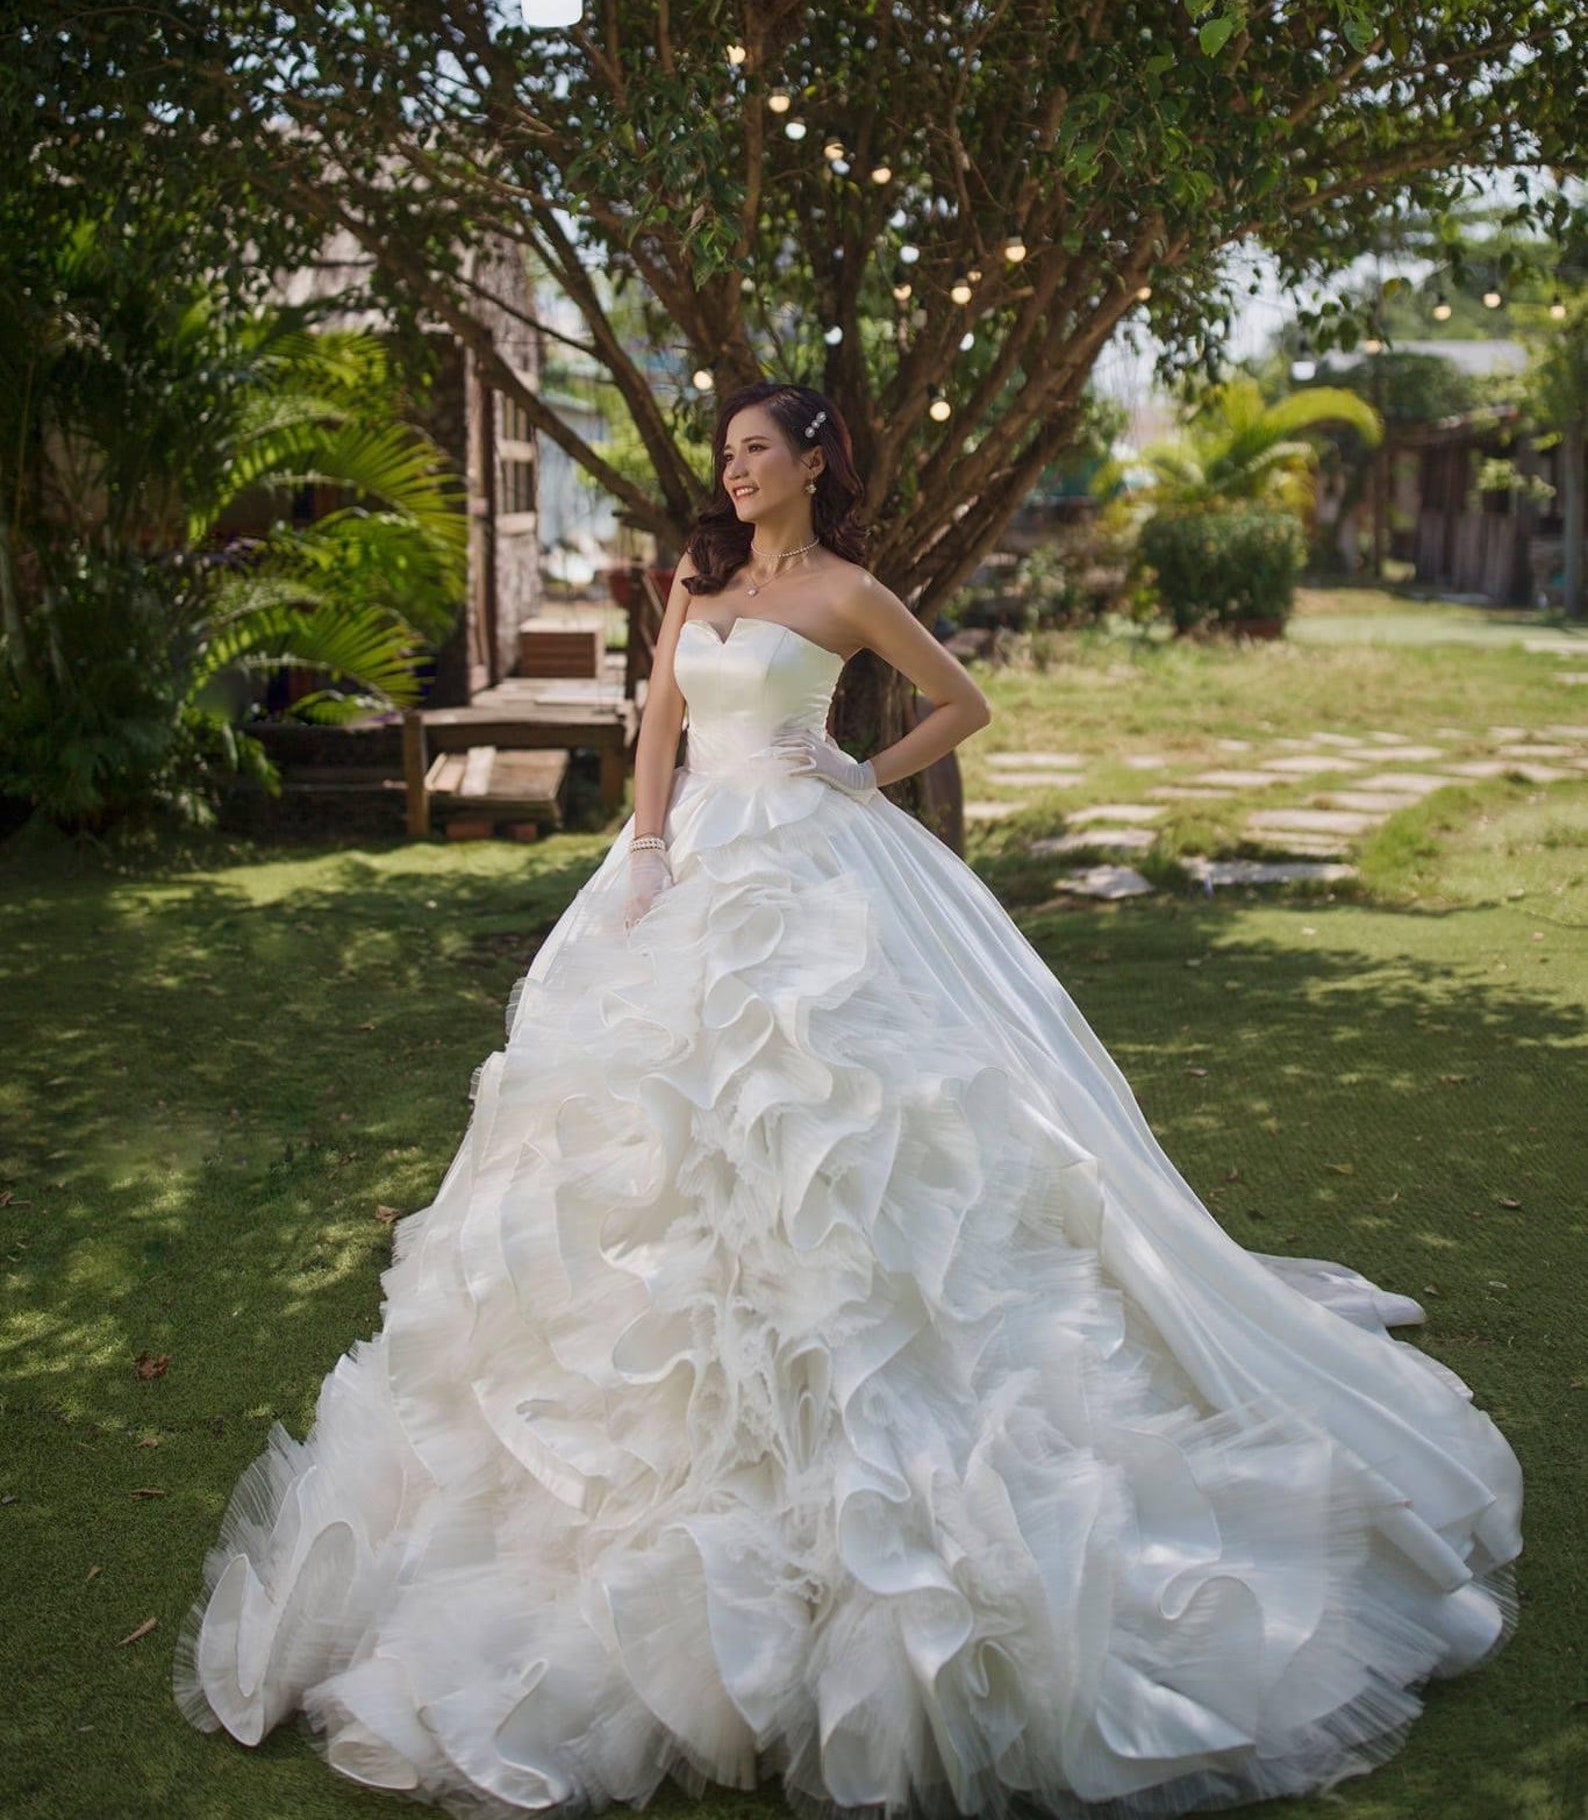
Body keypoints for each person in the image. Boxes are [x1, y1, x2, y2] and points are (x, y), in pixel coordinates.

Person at [175, 379, 1522, 1820]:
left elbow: (966, 701)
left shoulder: (853, 590)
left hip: (812, 876)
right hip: (689, 871)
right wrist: (640, 849)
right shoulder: (695, 575)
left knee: (848, 1139)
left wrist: (857, 771)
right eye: (728, 455)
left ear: (816, 458)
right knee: (634, 1162)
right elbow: (657, 717)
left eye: (759, 450)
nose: (736, 472)